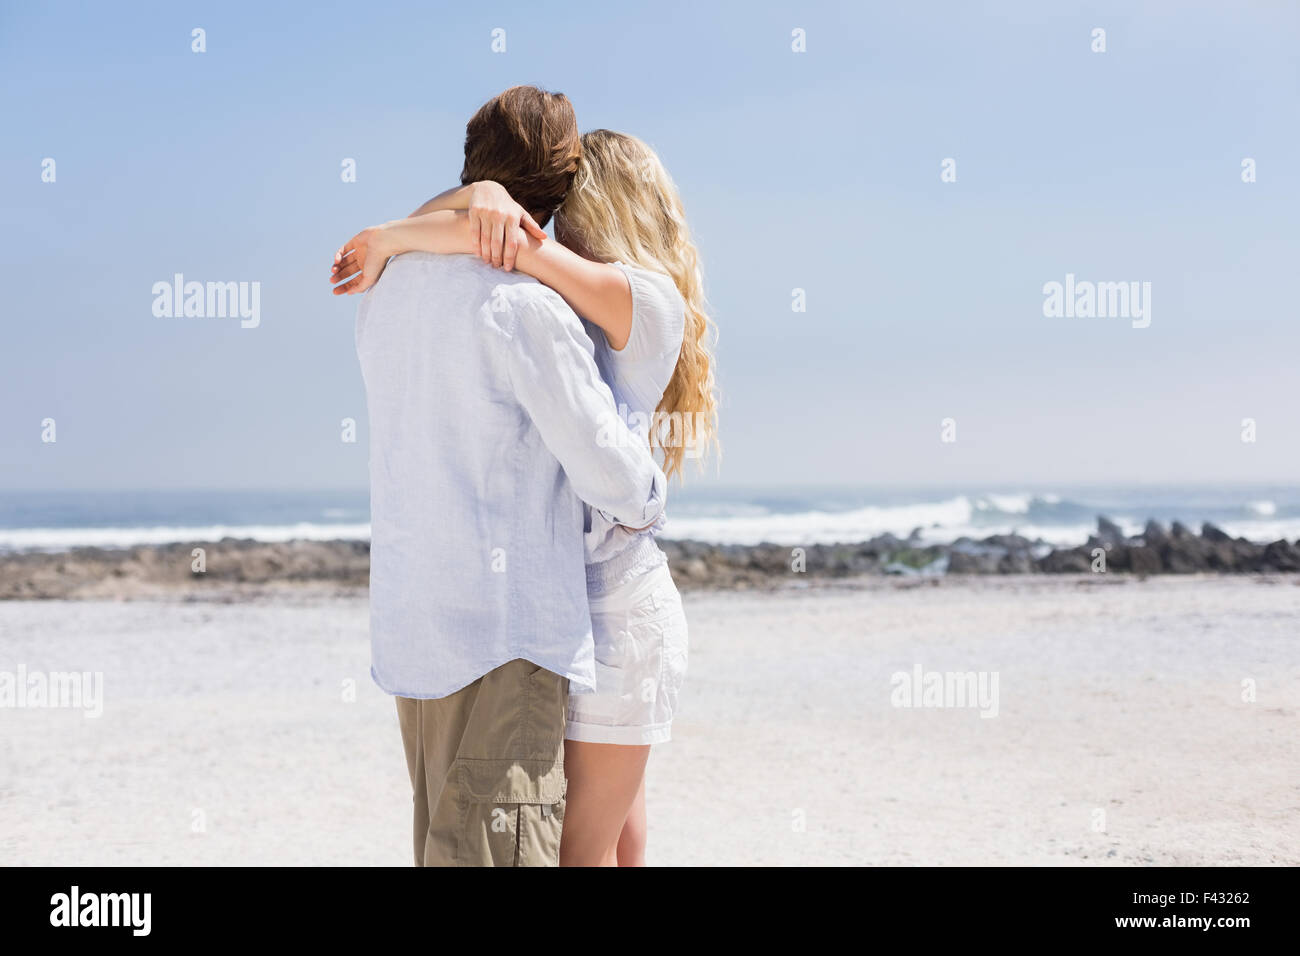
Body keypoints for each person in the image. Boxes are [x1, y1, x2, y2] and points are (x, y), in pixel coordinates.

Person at [333, 129, 718, 866]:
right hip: (572, 605)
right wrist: (462, 207)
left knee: (577, 851)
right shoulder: (565, 289)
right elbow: (492, 239)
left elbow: (507, 243)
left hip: (614, 612)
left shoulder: (644, 297)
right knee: (620, 847)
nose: (548, 216)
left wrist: (421, 223)